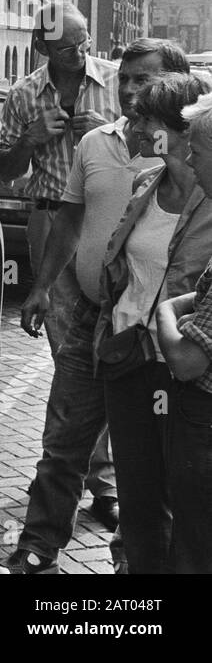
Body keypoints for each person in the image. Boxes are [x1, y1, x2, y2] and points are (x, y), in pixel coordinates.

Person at [0, 39, 189, 574]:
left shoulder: (189, 160)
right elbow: (70, 219)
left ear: (174, 86)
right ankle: (36, 549)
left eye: (142, 81)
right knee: (63, 440)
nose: (128, 90)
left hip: (155, 334)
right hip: (91, 319)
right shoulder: (96, 145)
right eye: (124, 78)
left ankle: (134, 562)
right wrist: (41, 286)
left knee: (145, 460)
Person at [0, 2, 120, 526]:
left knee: (110, 346)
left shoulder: (116, 82)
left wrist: (110, 128)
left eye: (85, 39)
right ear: (44, 48)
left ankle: (99, 476)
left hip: (113, 223)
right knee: (70, 353)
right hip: (52, 225)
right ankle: (76, 468)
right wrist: (31, 138)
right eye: (68, 46)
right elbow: (4, 170)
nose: (81, 52)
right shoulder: (25, 94)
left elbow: (156, 146)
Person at [96, 73, 212, 574]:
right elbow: (120, 263)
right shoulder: (145, 184)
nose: (133, 126)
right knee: (138, 495)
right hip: (130, 358)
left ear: (180, 130)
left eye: (144, 119)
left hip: (184, 371)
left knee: (186, 503)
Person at [155, 91, 212, 573]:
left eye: (197, 150)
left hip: (204, 420)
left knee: (193, 547)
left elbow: (187, 360)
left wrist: (166, 314)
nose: (189, 158)